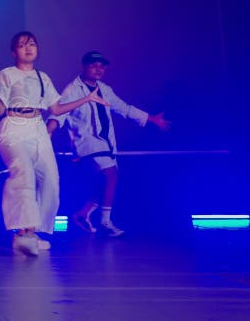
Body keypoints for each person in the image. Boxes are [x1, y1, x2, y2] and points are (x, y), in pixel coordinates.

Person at [0, 32, 108, 256]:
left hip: (38, 128)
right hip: (13, 126)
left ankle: (33, 234)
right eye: (22, 45)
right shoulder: (7, 74)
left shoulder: (43, 77)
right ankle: (25, 232)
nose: (28, 48)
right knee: (24, 173)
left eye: (32, 44)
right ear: (14, 52)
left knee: (51, 179)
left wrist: (87, 99)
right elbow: (0, 108)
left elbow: (56, 109)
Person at [46, 51, 171, 237]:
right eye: (94, 65)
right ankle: (105, 222)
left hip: (106, 144)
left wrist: (152, 119)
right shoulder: (72, 89)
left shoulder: (104, 89)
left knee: (109, 181)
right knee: (111, 176)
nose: (99, 69)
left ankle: (83, 214)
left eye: (102, 66)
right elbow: (59, 111)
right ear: (84, 66)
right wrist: (48, 130)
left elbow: (124, 108)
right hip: (87, 143)